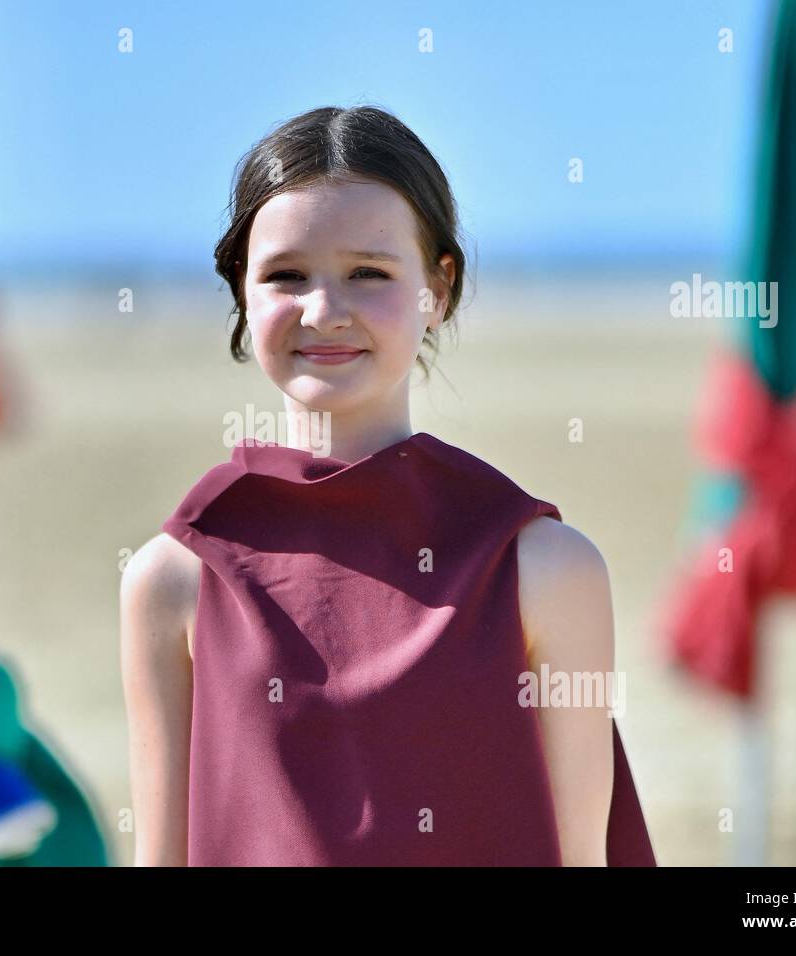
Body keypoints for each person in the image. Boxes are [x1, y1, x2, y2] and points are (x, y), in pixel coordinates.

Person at [120, 105, 656, 866]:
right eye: (286, 275)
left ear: (439, 288)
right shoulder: (174, 579)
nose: (324, 310)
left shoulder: (545, 567)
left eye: (367, 273)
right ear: (241, 288)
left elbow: (581, 856)